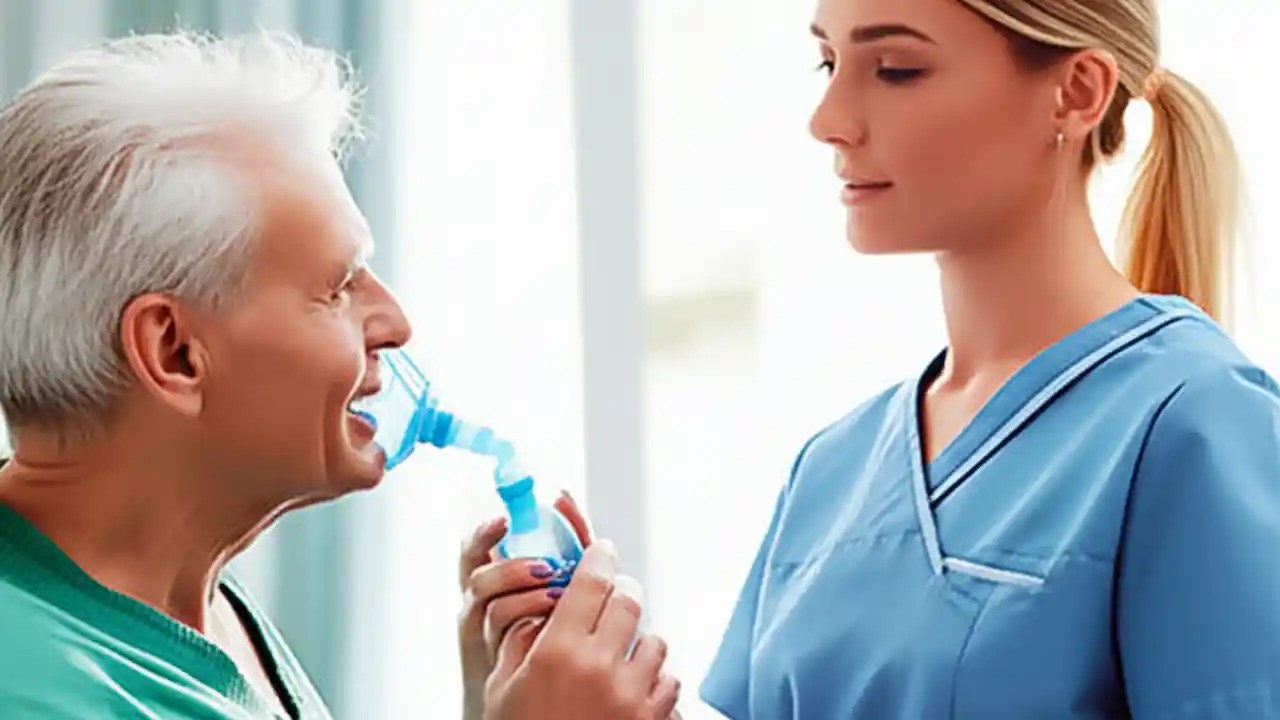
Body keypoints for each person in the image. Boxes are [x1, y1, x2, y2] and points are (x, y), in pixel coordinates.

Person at [464, 0, 1280, 718]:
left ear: (1077, 91)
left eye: (895, 69)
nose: (827, 115)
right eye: (828, 60)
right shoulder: (833, 469)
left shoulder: (1197, 423)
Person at [0, 32, 678, 719]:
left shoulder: (183, 603)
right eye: (337, 285)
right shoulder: (32, 685)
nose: (394, 320)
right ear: (175, 352)